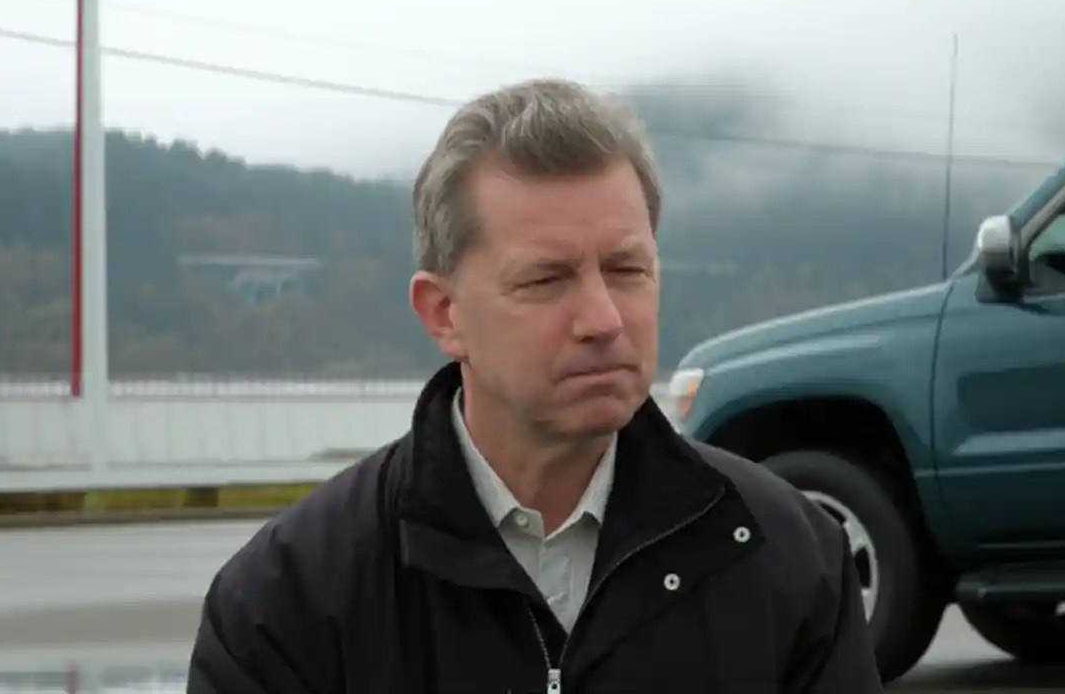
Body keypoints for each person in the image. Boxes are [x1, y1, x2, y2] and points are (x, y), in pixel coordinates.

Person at [187, 78, 884, 693]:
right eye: (547, 279)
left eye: (627, 270)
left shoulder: (791, 560)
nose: (604, 319)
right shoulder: (290, 600)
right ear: (444, 314)